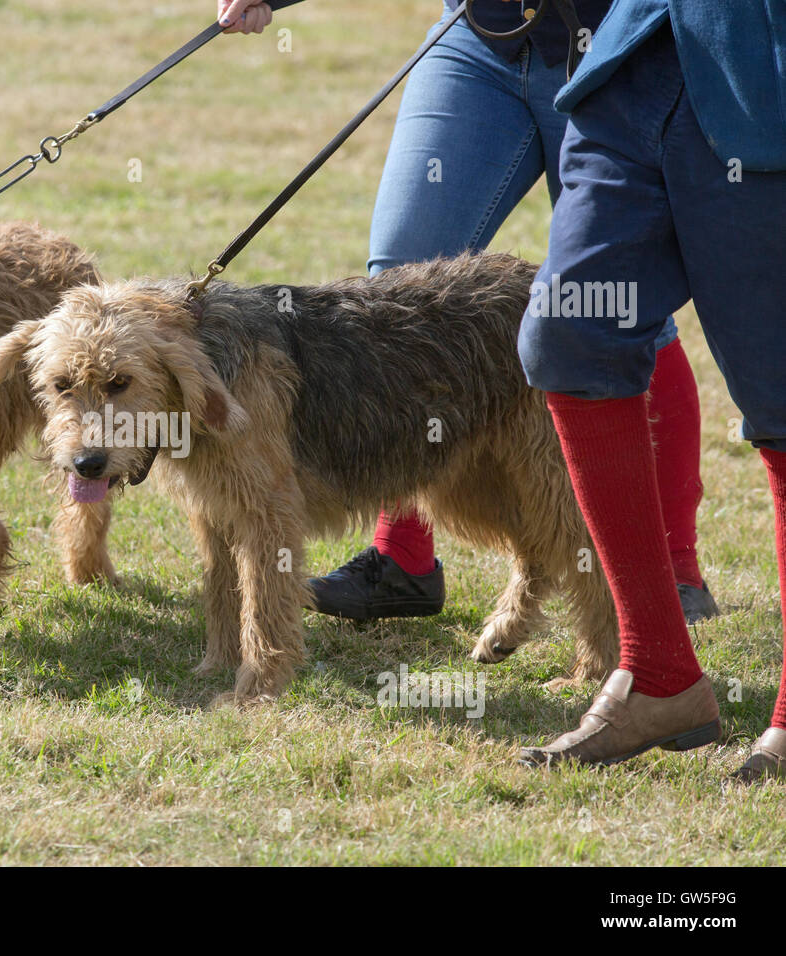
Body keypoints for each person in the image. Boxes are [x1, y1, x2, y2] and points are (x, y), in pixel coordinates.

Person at [216, 0, 720, 628]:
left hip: (614, 46)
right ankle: (403, 560)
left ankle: (672, 569)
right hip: (483, 36)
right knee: (397, 288)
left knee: (617, 304)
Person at [510, 0, 786, 780]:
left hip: (763, 76)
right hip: (631, 61)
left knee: (781, 397)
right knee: (569, 334)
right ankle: (658, 674)